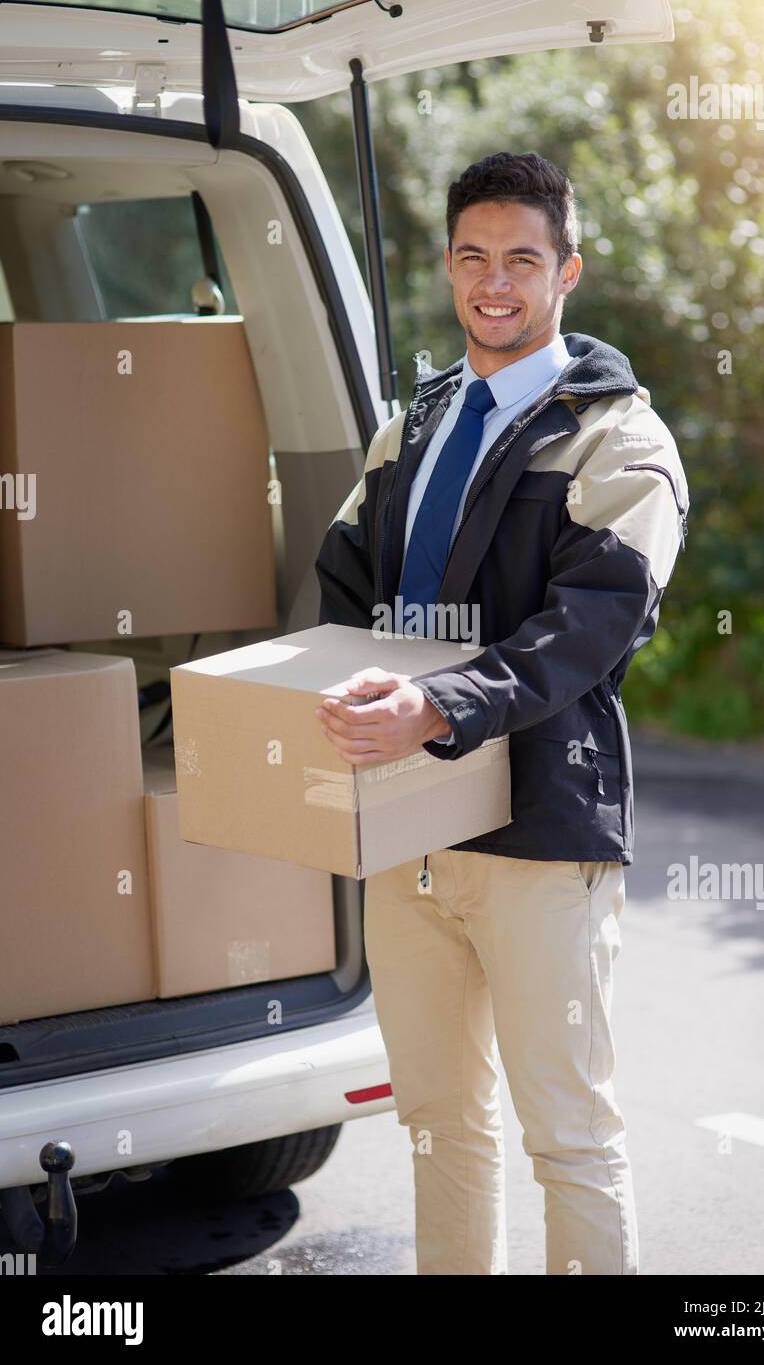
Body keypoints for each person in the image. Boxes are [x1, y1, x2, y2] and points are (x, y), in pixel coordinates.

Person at [313, 151, 690, 1275]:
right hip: (407, 830)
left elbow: (589, 627)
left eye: (522, 259)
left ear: (565, 271)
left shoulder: (620, 440)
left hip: (541, 835)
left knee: (568, 1137)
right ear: (448, 265)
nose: (495, 282)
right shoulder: (408, 432)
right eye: (474, 256)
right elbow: (340, 586)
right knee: (438, 1121)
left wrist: (437, 704)